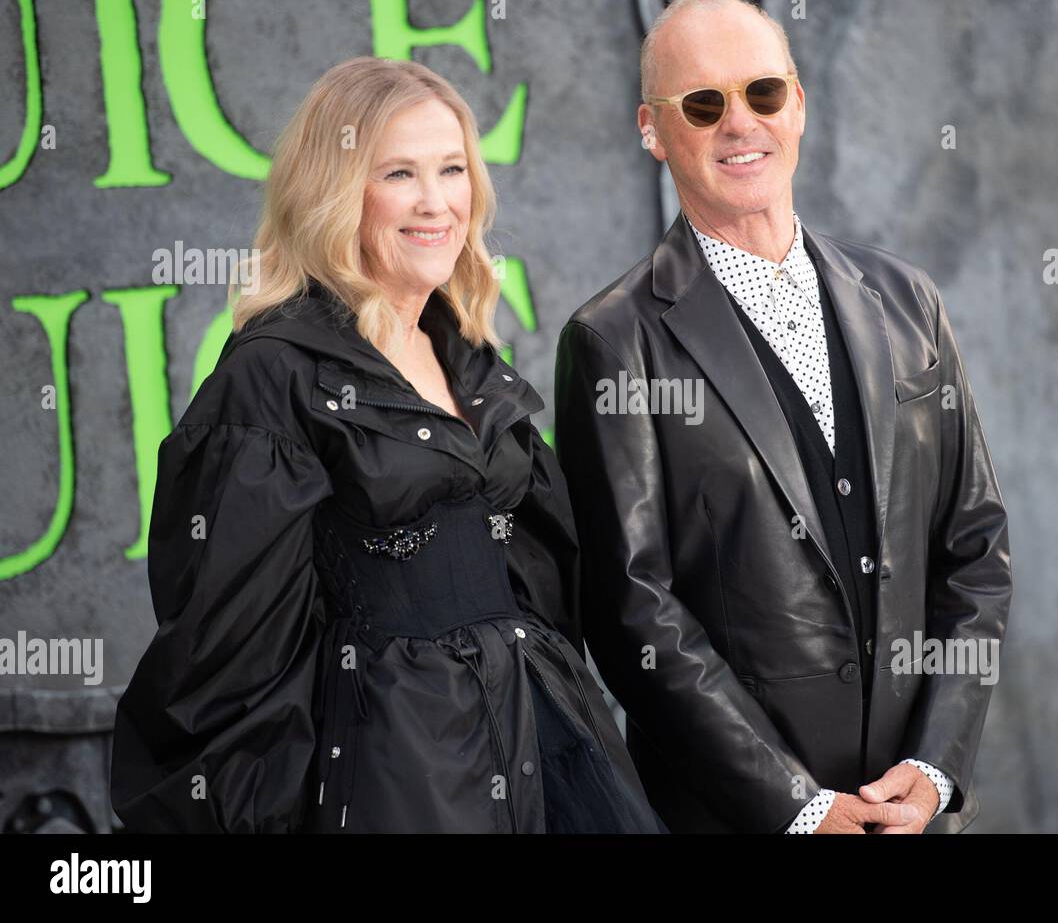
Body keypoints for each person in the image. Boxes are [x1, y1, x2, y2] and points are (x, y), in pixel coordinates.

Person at [111, 56, 664, 833]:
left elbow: (539, 577)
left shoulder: (466, 351)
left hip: (543, 742)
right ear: (336, 193)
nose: (436, 203)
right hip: (397, 777)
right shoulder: (272, 377)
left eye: (452, 170)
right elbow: (228, 664)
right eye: (399, 174)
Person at [554, 0, 1012, 834]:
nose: (740, 124)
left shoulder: (910, 302)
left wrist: (934, 766)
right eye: (702, 104)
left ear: (797, 104)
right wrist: (794, 807)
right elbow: (630, 612)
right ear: (653, 130)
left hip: (914, 818)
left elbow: (975, 549)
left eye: (762, 92)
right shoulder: (614, 341)